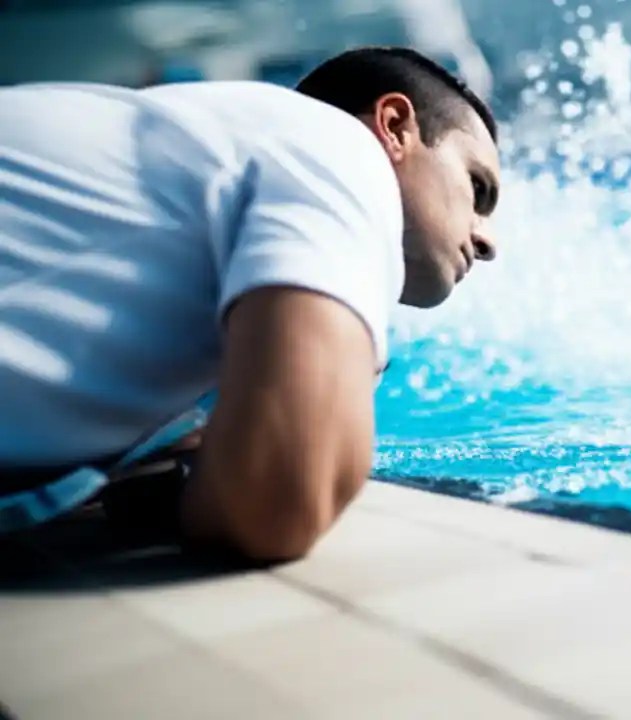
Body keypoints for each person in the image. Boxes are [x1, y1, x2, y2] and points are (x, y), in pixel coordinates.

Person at [0, 47, 501, 561]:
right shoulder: (339, 147)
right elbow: (278, 499)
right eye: (478, 188)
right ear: (394, 127)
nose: (488, 242)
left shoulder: (204, 156)